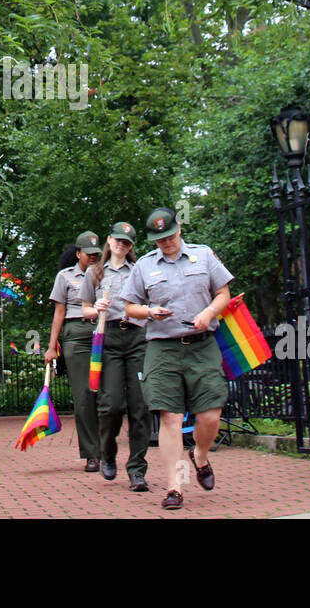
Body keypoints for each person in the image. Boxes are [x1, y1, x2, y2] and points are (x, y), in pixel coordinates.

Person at [119, 208, 232, 511]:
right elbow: (129, 308)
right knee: (169, 416)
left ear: (179, 229)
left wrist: (209, 312)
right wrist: (149, 311)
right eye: (159, 239)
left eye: (169, 236)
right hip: (162, 347)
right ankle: (174, 487)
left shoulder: (204, 255)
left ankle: (201, 457)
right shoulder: (143, 266)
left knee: (210, 414)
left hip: (202, 345)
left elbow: (224, 293)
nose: (166, 243)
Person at [79, 221, 149, 492]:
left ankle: (137, 470)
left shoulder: (140, 271)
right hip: (107, 338)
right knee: (111, 406)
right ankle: (107, 453)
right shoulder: (95, 273)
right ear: (109, 241)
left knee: (140, 406)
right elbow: (84, 310)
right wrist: (96, 308)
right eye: (118, 240)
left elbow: (148, 304)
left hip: (136, 338)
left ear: (131, 246)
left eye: (127, 242)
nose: (122, 245)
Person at [45, 231, 102, 470]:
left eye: (95, 254)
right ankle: (92, 454)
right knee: (84, 397)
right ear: (77, 253)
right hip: (76, 336)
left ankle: (106, 448)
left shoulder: (107, 274)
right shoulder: (65, 277)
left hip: (103, 333)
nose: (92, 257)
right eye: (87, 253)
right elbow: (59, 312)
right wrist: (51, 347)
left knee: (108, 395)